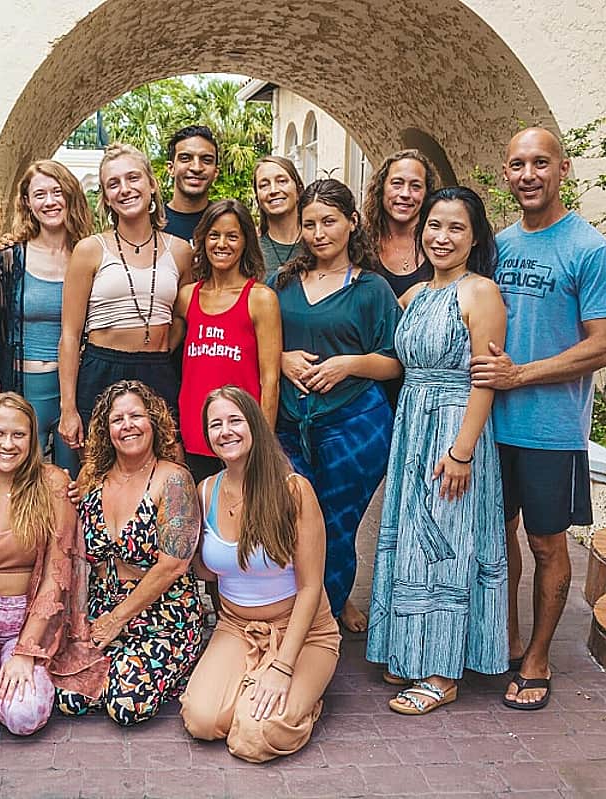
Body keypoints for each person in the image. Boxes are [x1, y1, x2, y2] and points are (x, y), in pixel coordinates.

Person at [471, 128, 606, 711]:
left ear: (563, 169)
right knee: (495, 537)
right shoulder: (500, 246)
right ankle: (508, 639)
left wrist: (522, 376)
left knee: (544, 543)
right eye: (517, 164)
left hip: (548, 428)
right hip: (490, 424)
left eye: (540, 163)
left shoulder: (588, 249)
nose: (529, 174)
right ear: (505, 174)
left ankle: (538, 657)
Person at [365, 187, 509, 714]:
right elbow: (395, 363)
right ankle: (410, 650)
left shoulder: (481, 294)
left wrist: (463, 451)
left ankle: (442, 673)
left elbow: (485, 379)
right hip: (412, 429)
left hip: (453, 430)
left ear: (474, 238)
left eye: (455, 228)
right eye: (434, 226)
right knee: (411, 543)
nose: (441, 237)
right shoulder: (416, 295)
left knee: (446, 545)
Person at [0, 394, 108, 736]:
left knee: (23, 717)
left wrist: (26, 652)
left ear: (32, 439)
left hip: (35, 624)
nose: (8, 444)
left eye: (19, 435)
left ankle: (17, 673)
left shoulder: (54, 484)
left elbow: (58, 573)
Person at [180, 386, 339, 762]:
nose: (226, 431)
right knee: (202, 721)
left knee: (254, 737)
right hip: (236, 627)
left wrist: (283, 667)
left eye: (235, 420)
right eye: (215, 424)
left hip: (303, 631)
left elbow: (311, 587)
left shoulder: (293, 491)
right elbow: (208, 569)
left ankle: (299, 695)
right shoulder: (205, 492)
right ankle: (255, 683)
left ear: (254, 425)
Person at [274, 179, 401, 633]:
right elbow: (253, 339)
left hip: (356, 425)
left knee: (338, 525)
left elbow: (394, 362)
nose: (318, 233)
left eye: (329, 221)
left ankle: (321, 620)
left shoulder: (372, 290)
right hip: (289, 425)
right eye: (308, 224)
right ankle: (297, 610)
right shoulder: (282, 283)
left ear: (351, 222)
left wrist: (350, 364)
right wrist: (280, 356)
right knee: (295, 523)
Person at [56, 380, 203, 725]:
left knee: (125, 706)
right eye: (117, 419)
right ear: (106, 431)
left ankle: (178, 663)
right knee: (68, 699)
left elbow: (174, 565)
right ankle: (121, 668)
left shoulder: (174, 479)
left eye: (136, 416)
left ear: (153, 422)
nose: (128, 425)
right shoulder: (93, 479)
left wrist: (116, 620)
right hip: (102, 608)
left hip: (162, 615)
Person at [57, 144, 193, 452]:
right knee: (99, 475)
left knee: (166, 464)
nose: (125, 189)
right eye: (113, 184)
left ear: (152, 183)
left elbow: (184, 316)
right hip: (101, 368)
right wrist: (68, 408)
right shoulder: (89, 250)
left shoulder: (181, 251)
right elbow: (69, 334)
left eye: (133, 178)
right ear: (105, 197)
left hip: (158, 369)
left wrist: (162, 345)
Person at [0, 160, 93, 468]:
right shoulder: (11, 258)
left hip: (76, 390)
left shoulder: (89, 254)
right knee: (23, 481)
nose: (49, 201)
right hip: (25, 388)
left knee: (72, 484)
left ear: (71, 196)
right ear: (27, 202)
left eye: (57, 192)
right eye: (40, 194)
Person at [172, 199, 281, 482]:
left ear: (246, 241)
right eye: (214, 235)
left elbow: (270, 381)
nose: (222, 244)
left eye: (232, 236)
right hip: (196, 433)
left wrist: (264, 446)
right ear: (203, 240)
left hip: (241, 436)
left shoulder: (260, 298)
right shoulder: (187, 296)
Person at [363, 150, 438, 298]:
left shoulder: (439, 242)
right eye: (397, 183)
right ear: (381, 188)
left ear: (427, 193)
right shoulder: (360, 242)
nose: (405, 194)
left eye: (415, 186)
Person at [163, 125, 219, 243]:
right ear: (171, 168)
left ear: (215, 172)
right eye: (185, 158)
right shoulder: (152, 223)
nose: (196, 168)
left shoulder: (226, 222)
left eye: (206, 160)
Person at [253, 155, 305, 281]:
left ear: (298, 189)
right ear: (257, 197)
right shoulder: (251, 249)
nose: (273, 190)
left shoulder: (317, 243)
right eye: (264, 185)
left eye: (282, 181)